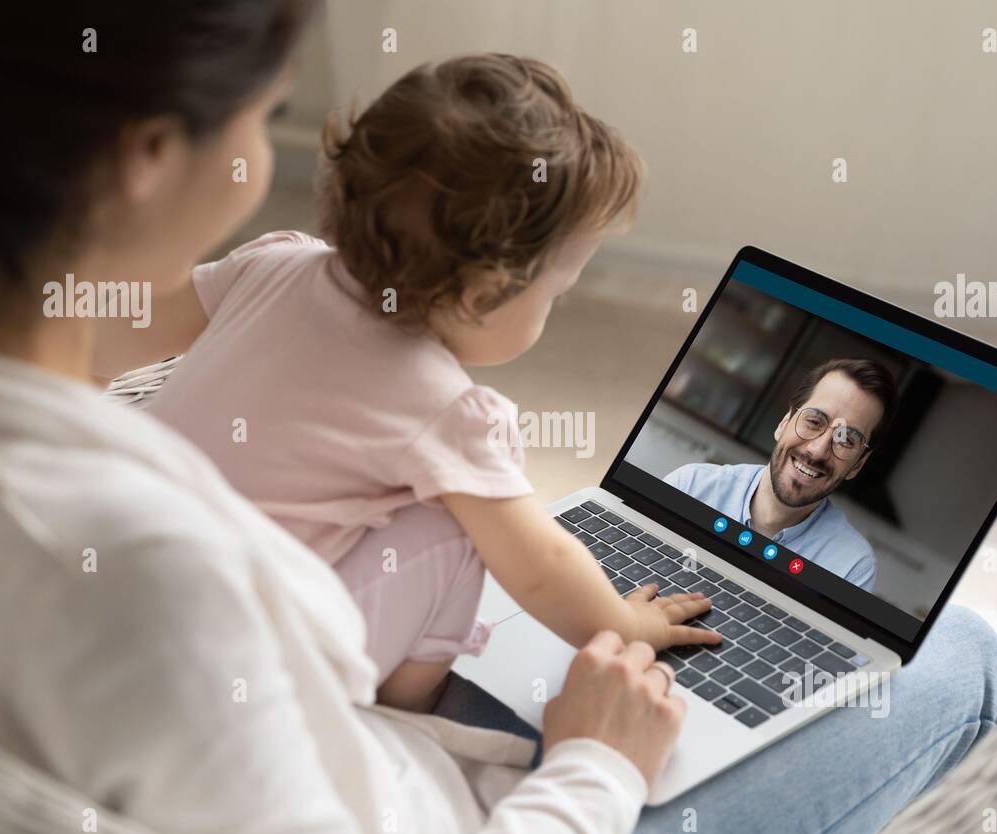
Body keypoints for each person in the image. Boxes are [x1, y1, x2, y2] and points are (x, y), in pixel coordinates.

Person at [0, 2, 997, 834]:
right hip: (464, 814)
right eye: (262, 110)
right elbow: (532, 557)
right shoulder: (156, 574)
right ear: (146, 155)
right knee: (960, 654)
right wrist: (595, 759)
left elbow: (145, 323)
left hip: (369, 737)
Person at [143, 55, 720, 714]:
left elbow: (128, 333)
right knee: (453, 527)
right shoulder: (452, 416)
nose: (556, 306)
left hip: (149, 579)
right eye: (556, 294)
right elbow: (541, 567)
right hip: (254, 670)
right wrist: (628, 625)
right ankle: (405, 710)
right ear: (486, 293)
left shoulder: (275, 262)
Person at [666, 358, 894, 592]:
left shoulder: (851, 566)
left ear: (858, 465)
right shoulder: (691, 486)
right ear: (784, 423)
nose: (817, 451)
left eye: (846, 439)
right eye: (814, 421)